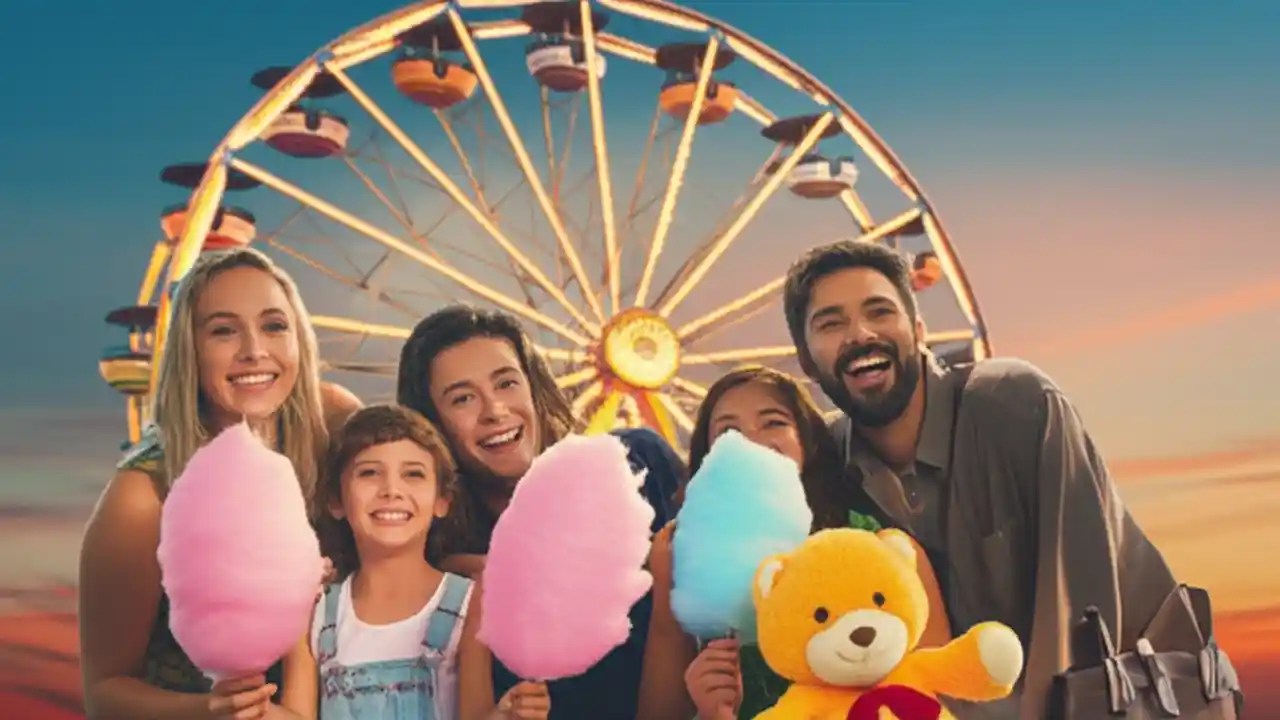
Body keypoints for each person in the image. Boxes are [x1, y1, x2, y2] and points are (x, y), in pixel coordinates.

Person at [782, 239, 1181, 718]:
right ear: (806, 361)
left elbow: (1082, 612)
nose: (860, 333)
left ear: (919, 329)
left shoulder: (1015, 406)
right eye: (831, 324)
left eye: (880, 311)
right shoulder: (825, 472)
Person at [396, 305, 684, 719]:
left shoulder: (638, 463)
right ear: (432, 425)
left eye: (507, 383)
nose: (495, 410)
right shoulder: (448, 571)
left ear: (534, 388)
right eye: (462, 398)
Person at [78, 248, 331, 719]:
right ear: (189, 352)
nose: (254, 350)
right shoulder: (143, 496)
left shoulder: (331, 426)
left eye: (275, 325)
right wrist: (208, 710)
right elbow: (104, 695)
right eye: (223, 331)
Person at [637, 365, 952, 720]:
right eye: (728, 430)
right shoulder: (683, 557)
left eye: (773, 422)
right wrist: (712, 711)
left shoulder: (878, 547)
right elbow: (658, 713)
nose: (751, 439)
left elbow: (936, 683)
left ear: (807, 439)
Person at [293, 403, 549, 719]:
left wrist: (507, 714)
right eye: (369, 473)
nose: (392, 490)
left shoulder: (470, 603)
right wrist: (250, 704)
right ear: (335, 500)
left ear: (443, 500)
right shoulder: (312, 608)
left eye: (413, 474)